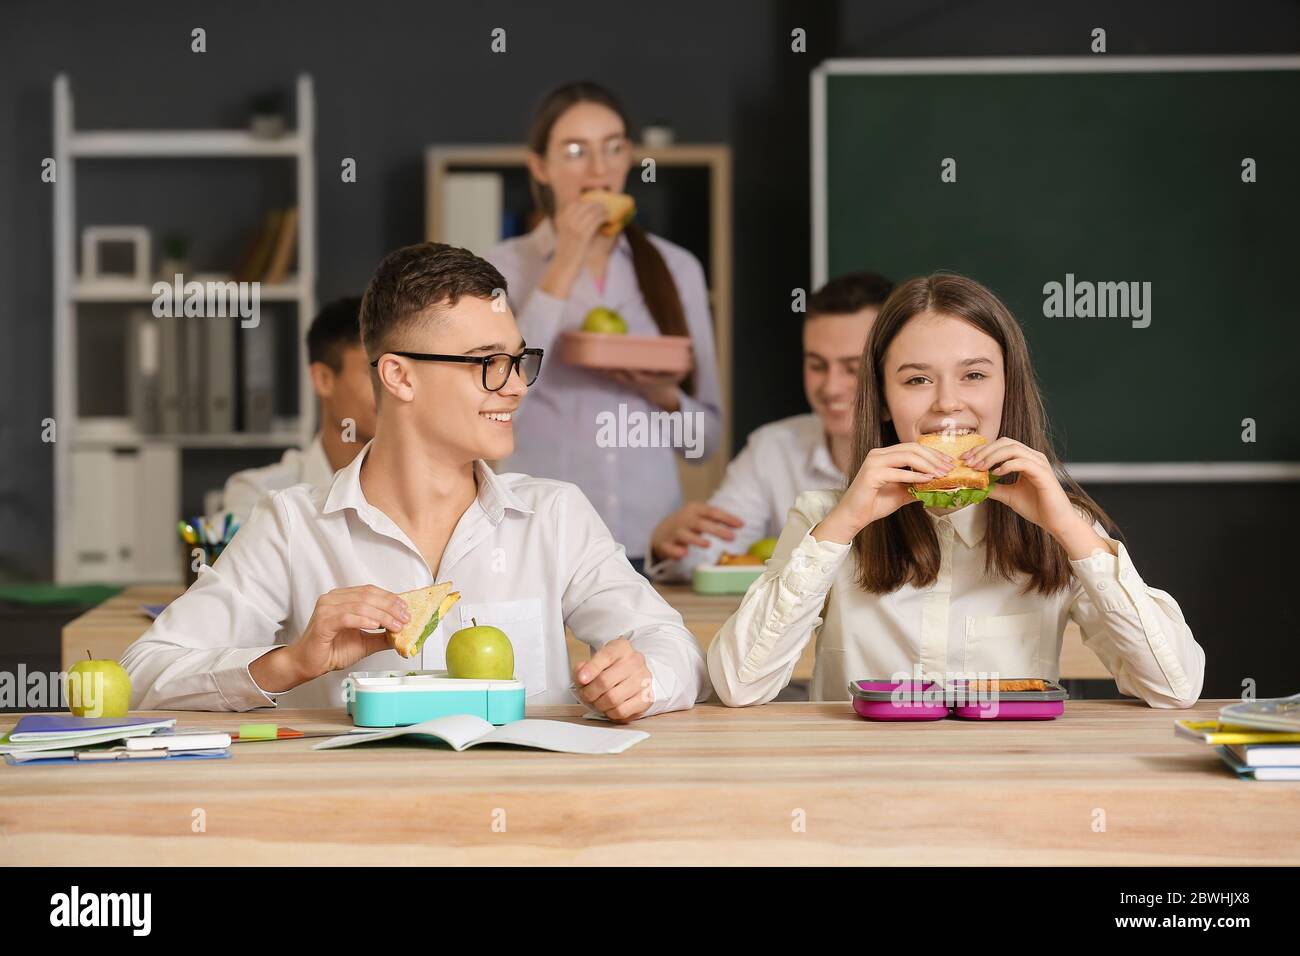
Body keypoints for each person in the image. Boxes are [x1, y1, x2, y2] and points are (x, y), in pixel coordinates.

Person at [122, 243, 709, 721]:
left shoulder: (555, 514)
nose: (515, 387)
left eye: (518, 360)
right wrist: (291, 662)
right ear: (399, 376)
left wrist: (644, 680)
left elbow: (678, 650)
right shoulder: (294, 524)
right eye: (487, 363)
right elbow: (143, 673)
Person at [708, 273, 1204, 709]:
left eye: (974, 375)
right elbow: (738, 685)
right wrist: (843, 527)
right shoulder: (823, 518)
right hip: (861, 789)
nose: (948, 403)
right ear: (882, 401)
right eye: (917, 379)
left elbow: (1173, 686)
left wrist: (1070, 530)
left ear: (1007, 389)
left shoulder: (1061, 524)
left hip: (1008, 787)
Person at [485, 81, 723, 572]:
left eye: (613, 148)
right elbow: (496, 391)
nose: (599, 169)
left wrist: (664, 395)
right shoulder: (497, 270)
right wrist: (564, 264)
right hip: (541, 546)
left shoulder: (677, 269)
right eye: (575, 151)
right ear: (540, 167)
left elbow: (706, 444)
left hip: (651, 544)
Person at [648, 273, 894, 579]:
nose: (831, 387)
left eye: (852, 368)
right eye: (817, 365)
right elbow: (702, 560)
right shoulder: (772, 448)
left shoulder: (932, 460)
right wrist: (668, 543)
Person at [221, 297, 376, 525]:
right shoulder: (260, 496)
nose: (392, 387)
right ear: (323, 379)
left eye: (396, 371)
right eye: (373, 372)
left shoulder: (425, 490)